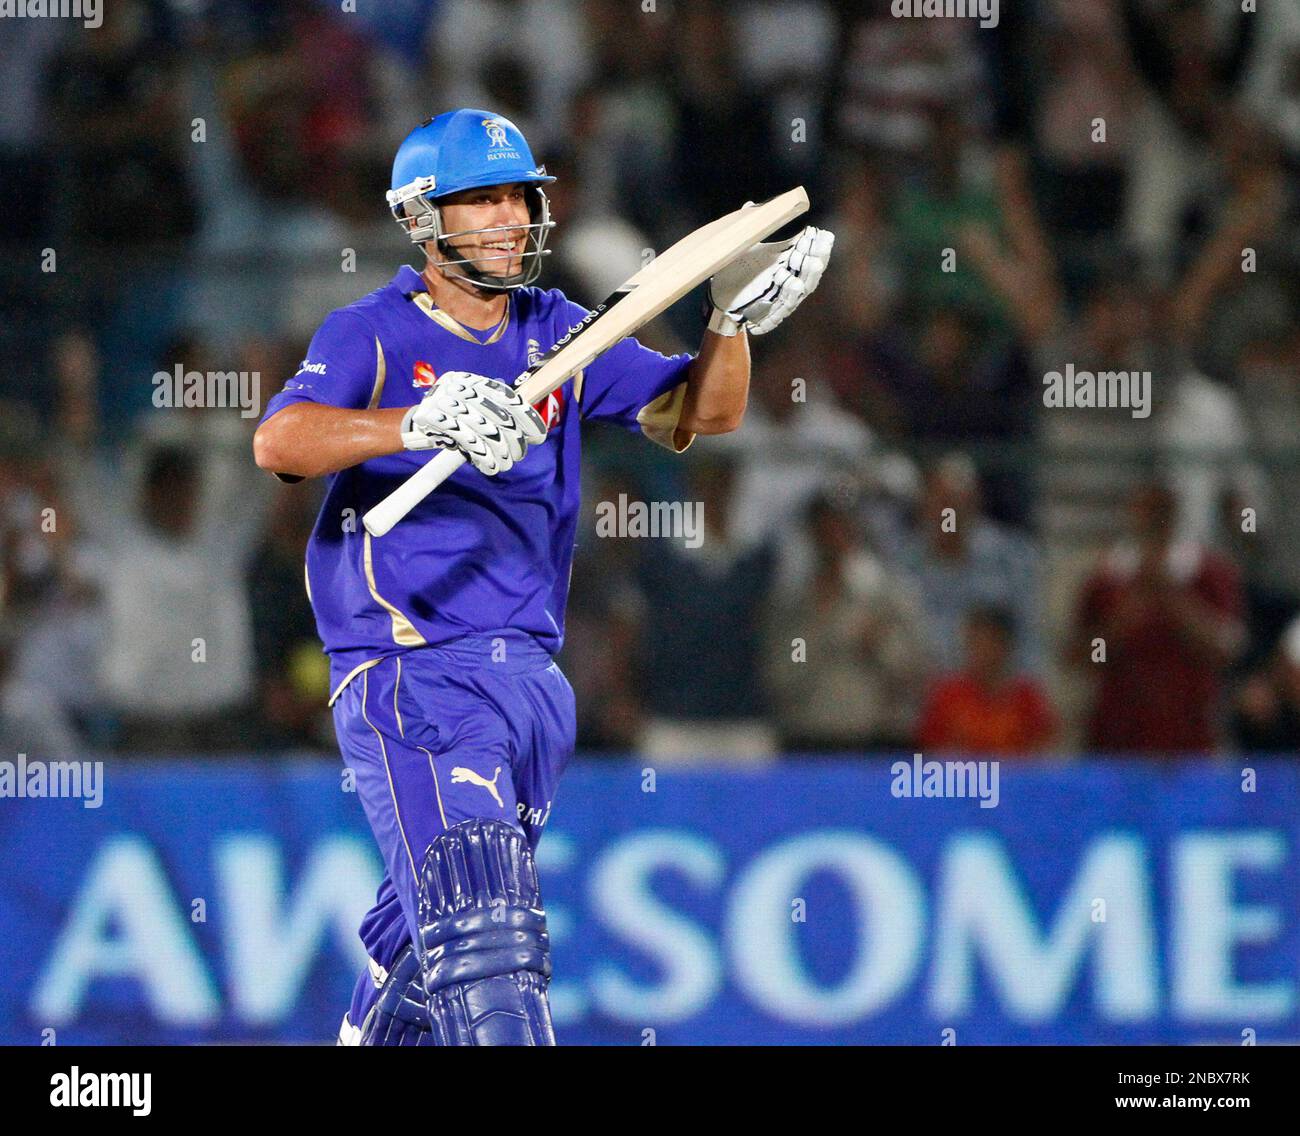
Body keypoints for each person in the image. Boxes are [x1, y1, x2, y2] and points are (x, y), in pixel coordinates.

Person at [252, 108, 833, 1046]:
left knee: (426, 953)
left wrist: (729, 315)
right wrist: (420, 421)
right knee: (488, 947)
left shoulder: (558, 331)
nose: (510, 219)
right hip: (417, 671)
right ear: (421, 220)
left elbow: (704, 413)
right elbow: (280, 441)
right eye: (480, 201)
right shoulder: (374, 331)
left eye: (518, 198)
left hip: (531, 687)